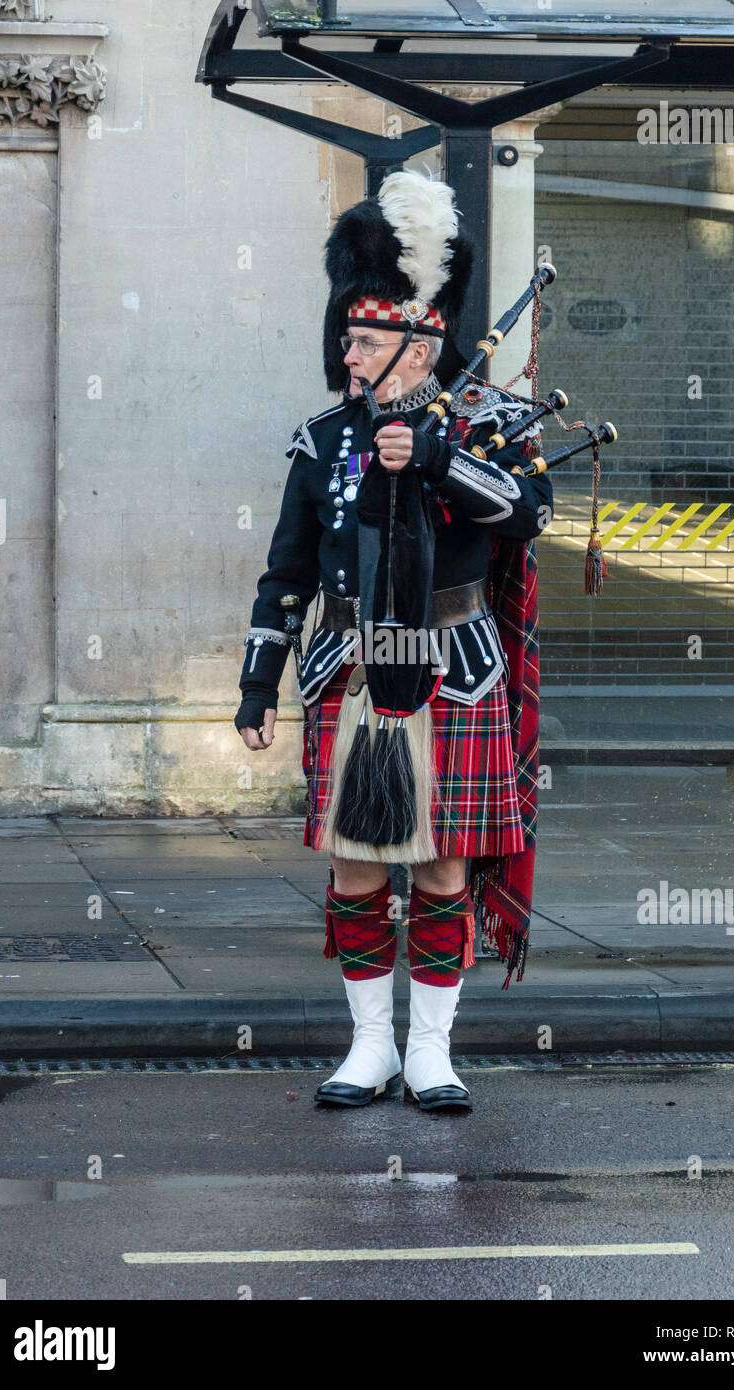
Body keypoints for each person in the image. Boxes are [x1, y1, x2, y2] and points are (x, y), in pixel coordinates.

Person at [235, 169, 553, 1113]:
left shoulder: (486, 427)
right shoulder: (323, 436)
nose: (349, 351)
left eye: (367, 340)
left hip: (454, 670)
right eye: (348, 334)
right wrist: (257, 682)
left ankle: (432, 1052)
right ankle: (369, 1046)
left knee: (446, 865)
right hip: (352, 671)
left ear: (424, 345)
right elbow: (286, 570)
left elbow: (527, 517)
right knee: (357, 866)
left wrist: (443, 459)